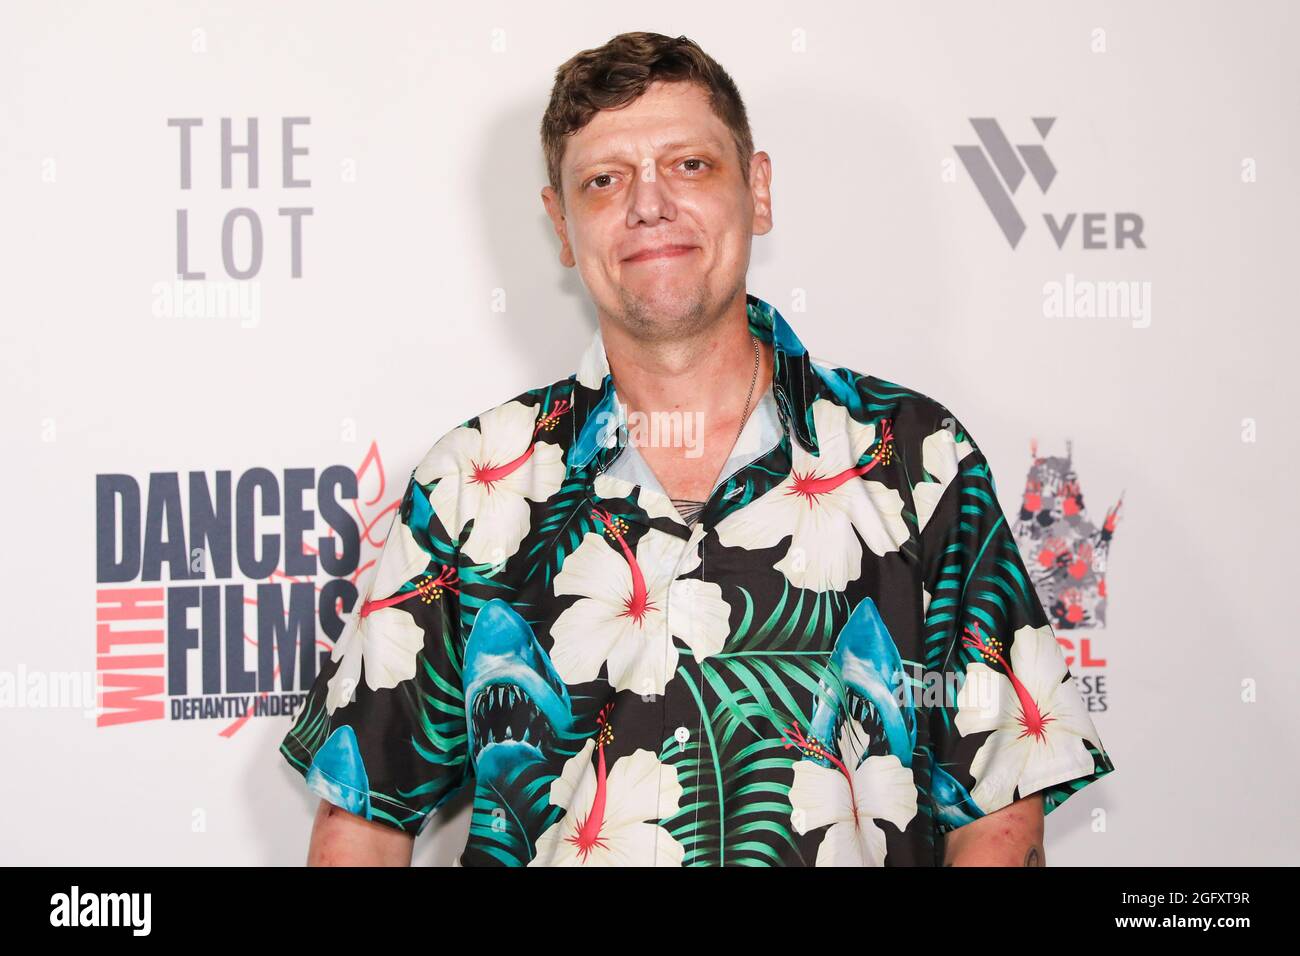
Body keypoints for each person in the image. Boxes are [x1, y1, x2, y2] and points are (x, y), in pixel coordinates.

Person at [278, 31, 1115, 866]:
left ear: (758, 191)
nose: (648, 205)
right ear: (562, 227)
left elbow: (1002, 811)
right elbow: (362, 822)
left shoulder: (917, 458)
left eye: (689, 165)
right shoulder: (472, 483)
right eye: (604, 181)